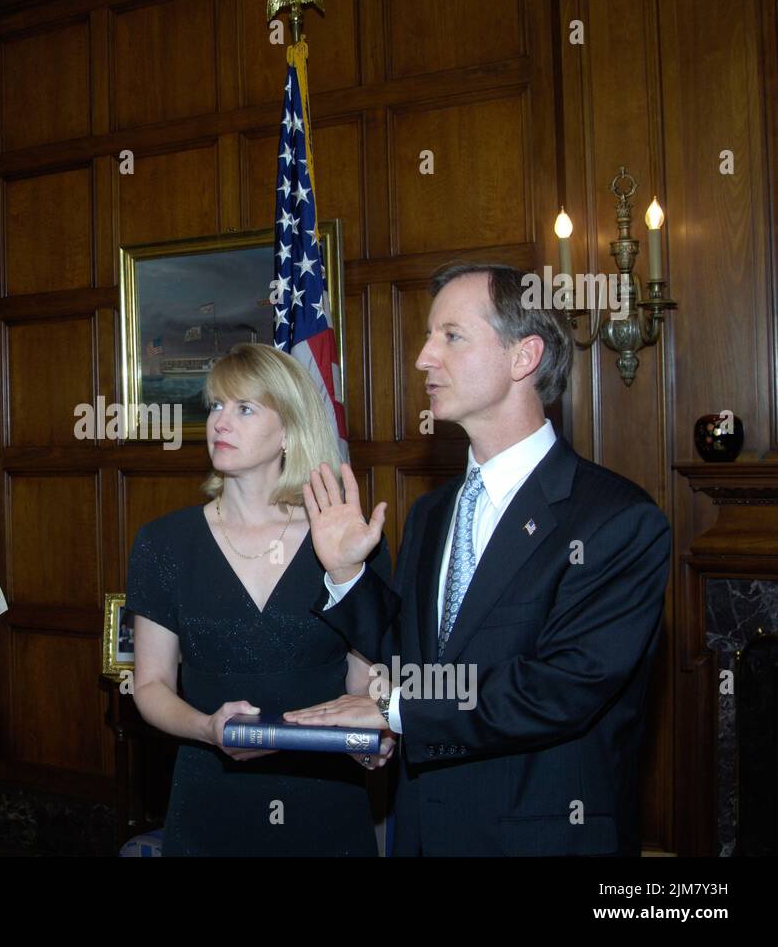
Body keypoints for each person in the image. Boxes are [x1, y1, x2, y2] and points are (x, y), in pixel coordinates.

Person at [286, 263, 671, 856]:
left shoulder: (616, 520)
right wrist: (346, 574)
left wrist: (395, 709)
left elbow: (560, 688)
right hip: (422, 833)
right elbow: (414, 661)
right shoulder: (433, 513)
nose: (422, 358)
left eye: (451, 336)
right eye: (428, 336)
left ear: (524, 358)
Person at [127, 343, 392, 856]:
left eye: (244, 408)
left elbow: (368, 688)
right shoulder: (163, 542)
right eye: (216, 407)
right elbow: (151, 685)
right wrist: (207, 728)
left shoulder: (345, 540)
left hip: (325, 804)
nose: (221, 423)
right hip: (208, 804)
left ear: (289, 431)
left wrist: (374, 739)